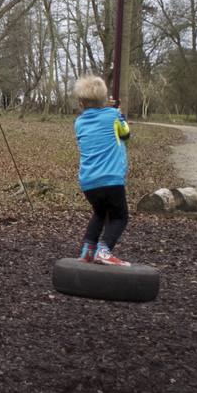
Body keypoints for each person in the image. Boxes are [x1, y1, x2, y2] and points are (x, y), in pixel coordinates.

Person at [73, 74, 131, 266]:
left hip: (88, 182)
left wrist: (109, 109)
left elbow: (97, 120)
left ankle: (88, 249)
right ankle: (104, 250)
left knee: (99, 212)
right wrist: (119, 113)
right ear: (105, 99)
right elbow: (126, 133)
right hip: (111, 178)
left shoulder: (79, 122)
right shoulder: (113, 115)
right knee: (120, 216)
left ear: (81, 103)